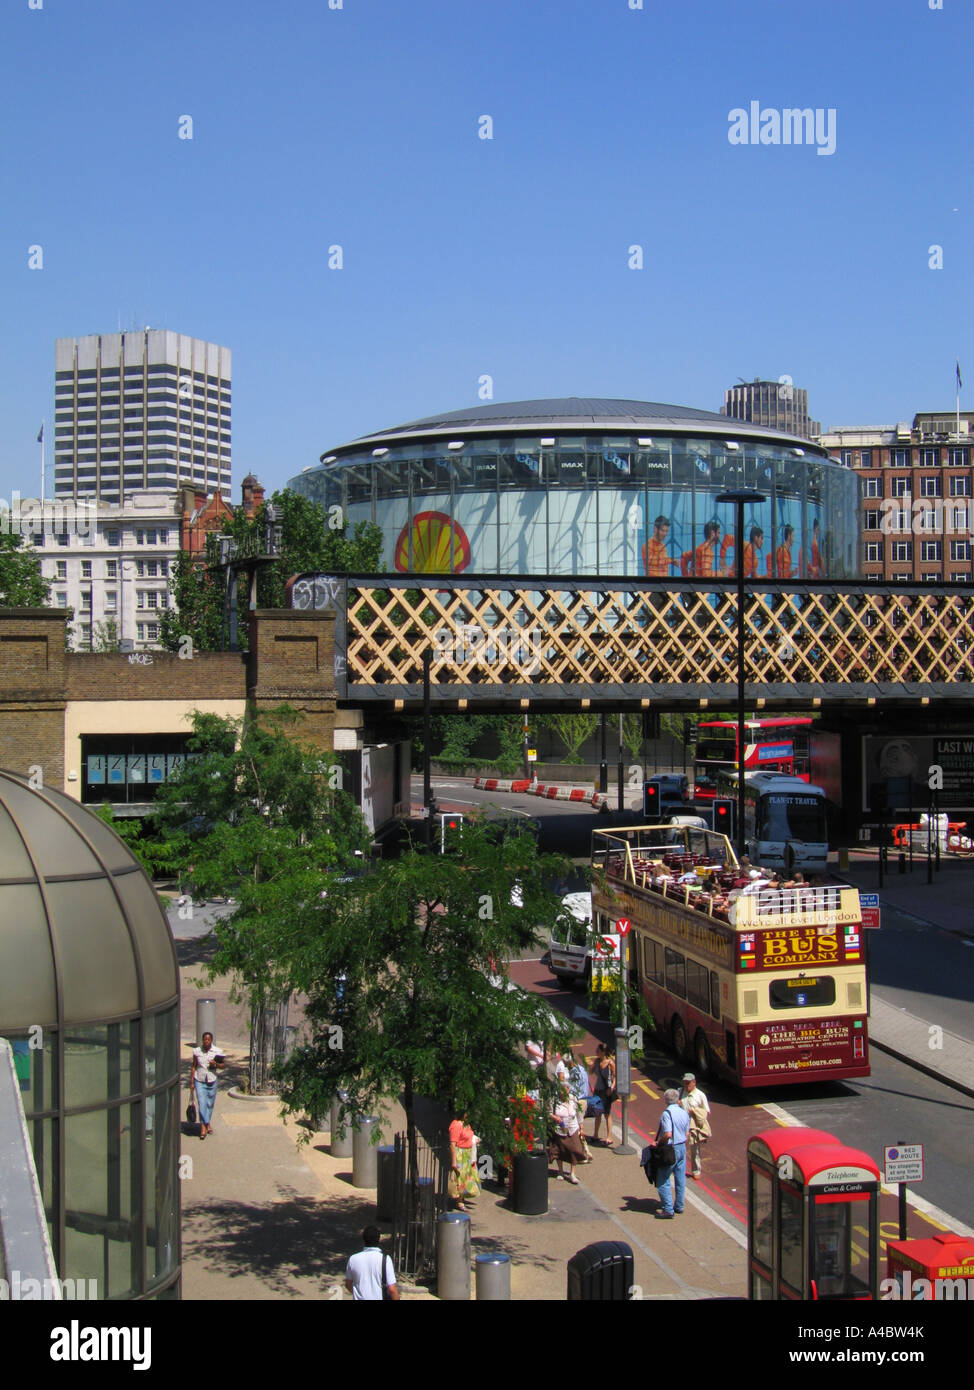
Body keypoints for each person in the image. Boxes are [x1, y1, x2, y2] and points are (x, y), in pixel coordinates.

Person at [654, 1088, 691, 1218]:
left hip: (670, 1148)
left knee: (663, 1179)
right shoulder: (684, 1113)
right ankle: (679, 1206)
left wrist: (659, 1143)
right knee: (680, 1178)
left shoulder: (667, 1114)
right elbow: (687, 1133)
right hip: (682, 1147)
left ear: (666, 1100)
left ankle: (668, 1209)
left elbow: (668, 1134)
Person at [345, 1226, 399, 1301]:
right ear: (379, 1239)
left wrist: (360, 1294)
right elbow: (392, 1289)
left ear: (364, 1239)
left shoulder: (353, 1259)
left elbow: (348, 1284)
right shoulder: (385, 1259)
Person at [547, 1086, 585, 1184]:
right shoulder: (554, 1100)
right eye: (563, 1088)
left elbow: (578, 1113)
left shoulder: (573, 1099)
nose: (565, 1091)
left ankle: (572, 1174)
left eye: (567, 1088)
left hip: (573, 1128)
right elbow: (548, 1113)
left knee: (575, 1149)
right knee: (560, 1150)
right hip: (560, 1129)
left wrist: (581, 1127)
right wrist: (555, 1117)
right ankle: (560, 1171)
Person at [191, 1031, 225, 1140]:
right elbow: (193, 1066)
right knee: (202, 1103)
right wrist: (191, 1082)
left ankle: (207, 1123)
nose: (206, 1042)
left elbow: (223, 1065)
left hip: (212, 1080)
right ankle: (203, 1126)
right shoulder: (197, 1051)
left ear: (211, 1040)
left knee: (210, 1104)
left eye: (208, 1040)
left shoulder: (217, 1051)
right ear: (202, 1040)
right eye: (205, 1040)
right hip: (199, 1080)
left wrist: (216, 1064)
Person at [679, 1072, 711, 1180]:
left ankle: (696, 1170)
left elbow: (707, 1111)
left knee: (694, 1149)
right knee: (679, 1146)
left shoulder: (700, 1095)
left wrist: (695, 1111)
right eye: (685, 1082)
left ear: (694, 1082)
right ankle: (679, 1168)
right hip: (682, 1123)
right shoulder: (680, 1092)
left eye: (688, 1082)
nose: (686, 1084)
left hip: (693, 1125)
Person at [448, 1110, 481, 1213]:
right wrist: (454, 1161)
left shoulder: (466, 1124)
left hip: (467, 1153)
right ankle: (459, 1201)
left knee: (467, 1178)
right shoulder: (456, 1125)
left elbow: (469, 1135)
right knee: (460, 1178)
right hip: (460, 1154)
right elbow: (453, 1144)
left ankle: (462, 1199)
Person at [567, 1046, 594, 1161]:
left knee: (577, 1128)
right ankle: (585, 1151)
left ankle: (584, 1152)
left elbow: (571, 1089)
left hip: (577, 1101)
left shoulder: (573, 1073)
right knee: (580, 1126)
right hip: (584, 1100)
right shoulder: (582, 1069)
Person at [591, 1044, 616, 1147]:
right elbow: (591, 1071)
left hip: (606, 1091)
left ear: (603, 1052)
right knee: (597, 1113)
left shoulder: (610, 1063)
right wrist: (591, 1065)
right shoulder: (597, 1061)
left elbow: (615, 1077)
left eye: (598, 1050)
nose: (596, 1051)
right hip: (597, 1090)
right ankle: (595, 1134)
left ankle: (609, 1136)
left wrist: (612, 1088)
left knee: (607, 1113)